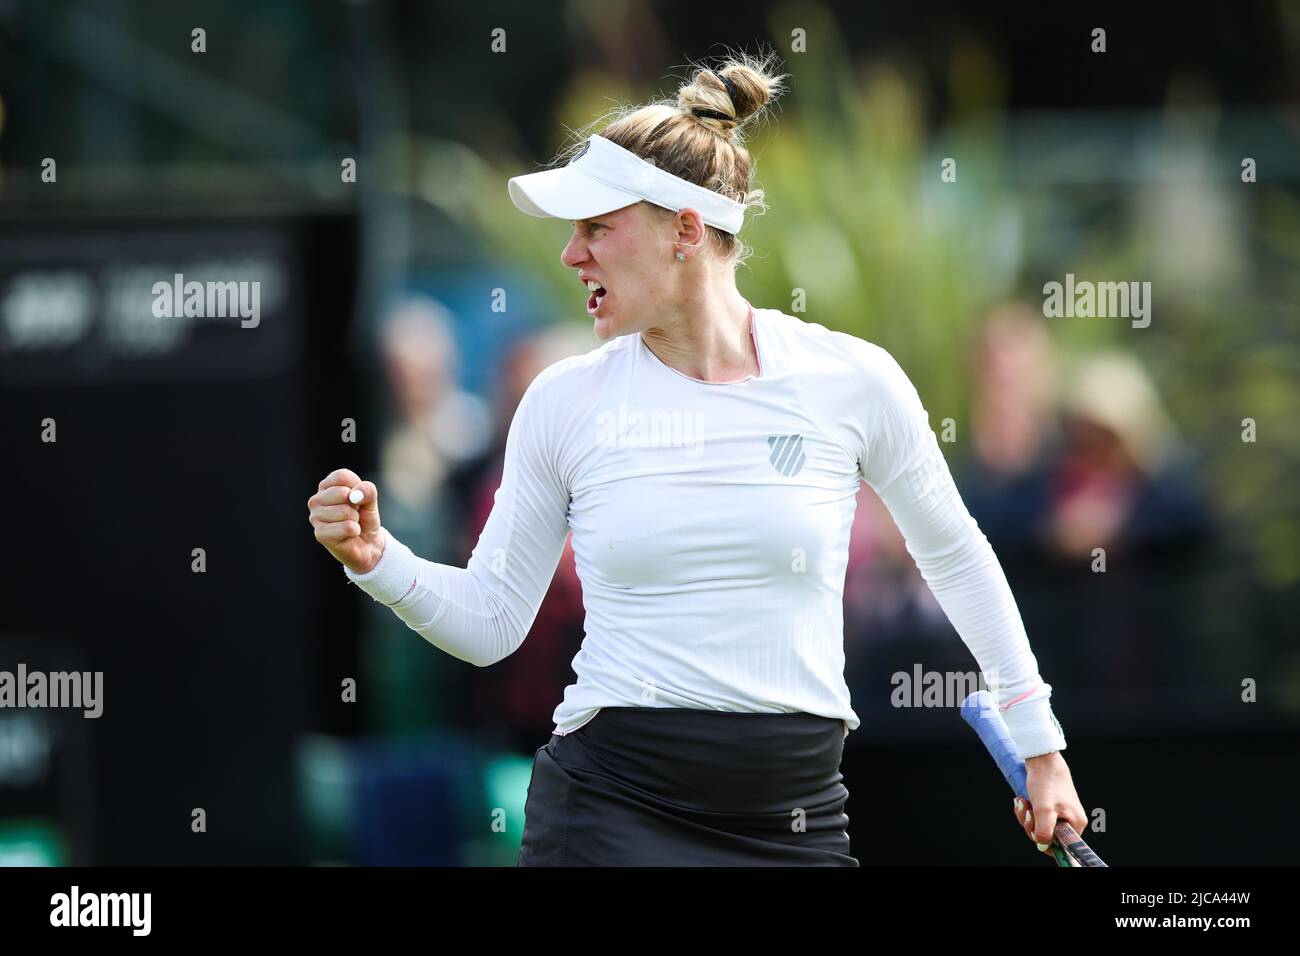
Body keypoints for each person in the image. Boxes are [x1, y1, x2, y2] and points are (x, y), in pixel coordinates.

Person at [306, 52, 1086, 865]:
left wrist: (1040, 746)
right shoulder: (562, 401)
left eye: (596, 228)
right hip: (606, 813)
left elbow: (956, 558)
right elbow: (492, 621)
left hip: (795, 819)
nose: (571, 255)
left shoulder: (851, 380)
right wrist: (377, 559)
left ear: (684, 231)